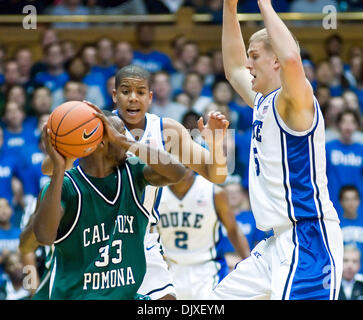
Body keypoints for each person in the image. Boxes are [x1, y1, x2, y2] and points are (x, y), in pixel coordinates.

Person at [42, 64, 229, 300]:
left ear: (150, 97)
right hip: (96, 237)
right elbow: (49, 168)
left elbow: (217, 175)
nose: (133, 98)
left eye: (140, 92)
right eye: (125, 91)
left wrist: (215, 145)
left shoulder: (167, 130)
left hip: (142, 238)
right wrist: (64, 142)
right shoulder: (95, 124)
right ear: (114, 95)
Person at [211, 0, 343, 300]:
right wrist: (230, 9)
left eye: (254, 56)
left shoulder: (295, 102)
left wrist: (264, 4)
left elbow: (293, 60)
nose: (248, 64)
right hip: (276, 243)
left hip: (309, 239)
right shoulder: (262, 101)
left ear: (275, 62)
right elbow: (232, 69)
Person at [33, 110, 186, 300]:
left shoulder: (133, 171)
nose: (125, 138)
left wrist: (127, 143)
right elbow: (43, 237)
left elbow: (178, 173)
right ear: (102, 142)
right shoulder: (66, 186)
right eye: (120, 133)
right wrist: (58, 169)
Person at [157, 168, 250, 299]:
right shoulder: (157, 191)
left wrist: (249, 264)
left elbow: (233, 230)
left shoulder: (214, 192)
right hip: (169, 269)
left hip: (207, 270)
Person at [325, 110, 363, 212]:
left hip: (357, 207)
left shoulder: (361, 149)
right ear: (338, 125)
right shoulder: (327, 148)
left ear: (356, 126)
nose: (348, 126)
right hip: (331, 204)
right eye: (344, 122)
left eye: (352, 122)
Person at [339, 185, 363, 274]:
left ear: (359, 201)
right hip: (342, 277)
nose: (351, 203)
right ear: (341, 202)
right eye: (347, 199)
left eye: (354, 199)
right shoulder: (336, 225)